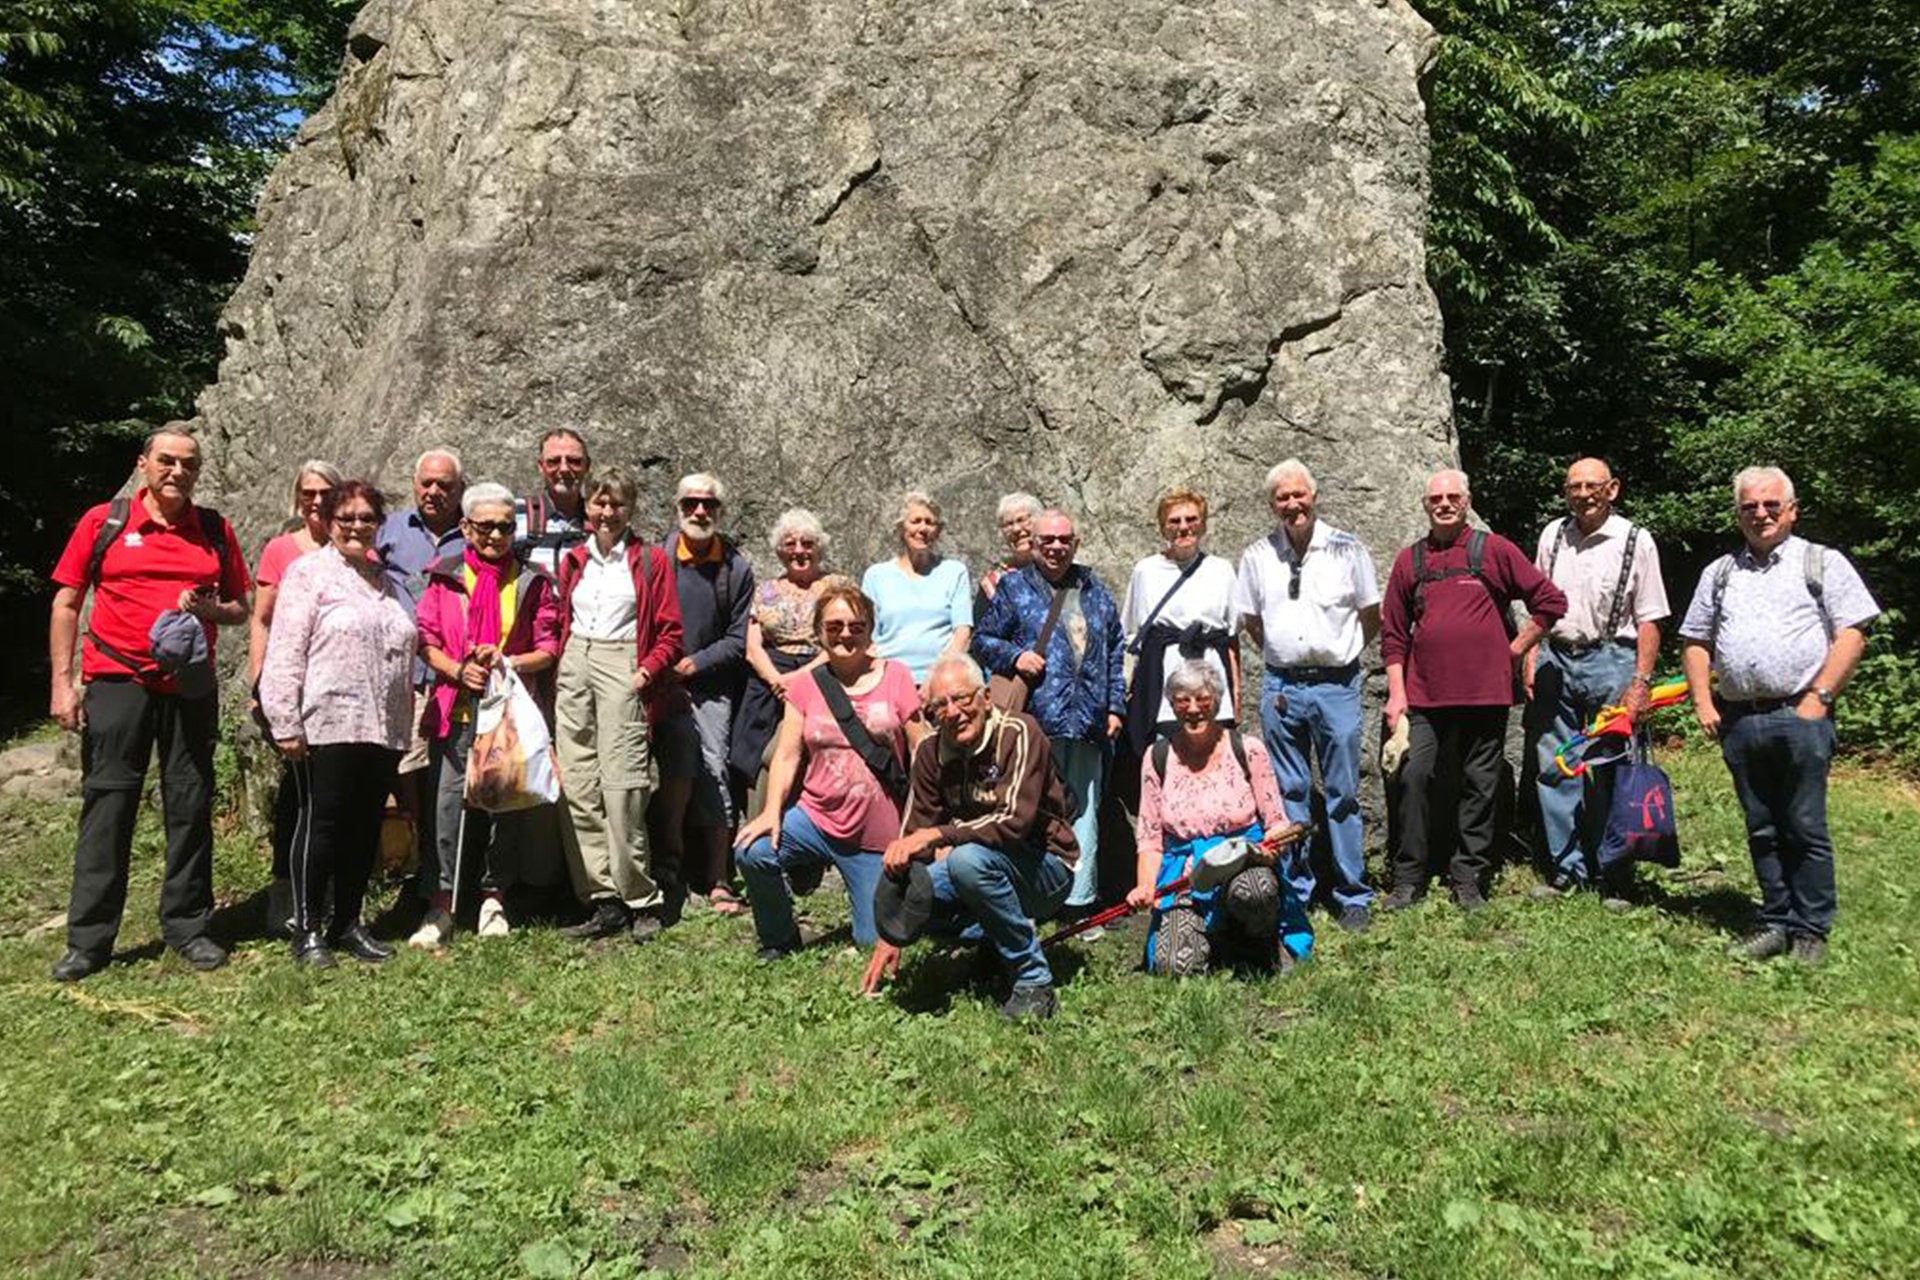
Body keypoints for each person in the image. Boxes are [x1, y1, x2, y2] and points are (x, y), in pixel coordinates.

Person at [47, 427, 251, 982]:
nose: (176, 472)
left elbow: (240, 606)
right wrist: (63, 684)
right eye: (166, 461)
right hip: (117, 680)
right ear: (143, 464)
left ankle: (189, 926)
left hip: (188, 685)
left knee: (189, 802)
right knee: (108, 805)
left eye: (188, 464)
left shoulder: (213, 529)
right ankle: (88, 940)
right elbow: (67, 601)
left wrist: (211, 612)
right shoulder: (104, 522)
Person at [1679, 466, 1878, 966]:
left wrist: (1820, 697)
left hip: (1800, 714)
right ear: (1738, 513)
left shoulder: (1820, 562)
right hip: (1740, 719)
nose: (1761, 514)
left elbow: (1853, 631)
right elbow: (1696, 639)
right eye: (1750, 507)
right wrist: (1704, 701)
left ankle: (1811, 929)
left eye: (1771, 505)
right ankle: (1775, 919)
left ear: (1792, 510)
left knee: (1804, 825)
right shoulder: (1721, 572)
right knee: (1761, 826)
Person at [1379, 469, 1566, 912]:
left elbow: (1551, 602)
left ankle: (1468, 878)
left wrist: (1515, 648)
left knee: (1480, 784)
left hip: (1487, 694)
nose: (1444, 504)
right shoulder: (1411, 561)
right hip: (1423, 696)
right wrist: (1396, 693)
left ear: (1467, 501)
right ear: (1425, 505)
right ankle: (1408, 879)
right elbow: (1393, 634)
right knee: (1414, 776)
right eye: (1435, 498)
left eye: (1453, 497)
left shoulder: (1494, 550)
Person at [862, 654, 1078, 1020]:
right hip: (984, 866)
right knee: (917, 898)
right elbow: (914, 834)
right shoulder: (930, 753)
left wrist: (940, 834)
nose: (954, 711)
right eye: (940, 705)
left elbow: (1014, 821)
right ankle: (997, 941)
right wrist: (892, 929)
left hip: (1046, 866)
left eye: (962, 698)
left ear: (986, 698)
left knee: (966, 861)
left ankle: (1033, 981)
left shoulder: (1020, 733)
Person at [258, 480, 417, 967]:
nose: (356, 526)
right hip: (325, 721)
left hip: (382, 725)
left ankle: (347, 922)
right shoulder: (309, 574)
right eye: (345, 517)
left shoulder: (384, 579)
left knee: (363, 826)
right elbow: (285, 646)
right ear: (327, 522)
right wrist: (283, 718)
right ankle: (307, 930)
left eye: (366, 518)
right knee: (321, 823)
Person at [735, 582, 922, 960]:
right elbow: (788, 755)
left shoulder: (897, 676)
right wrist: (772, 812)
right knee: (752, 851)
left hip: (876, 834)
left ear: (870, 629)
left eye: (856, 625)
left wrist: (918, 823)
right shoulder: (806, 684)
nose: (845, 634)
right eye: (834, 626)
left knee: (872, 941)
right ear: (819, 632)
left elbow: (921, 750)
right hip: (818, 817)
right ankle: (779, 937)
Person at [1231, 459, 1382, 930]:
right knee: (1288, 792)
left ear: (1313, 495)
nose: (1292, 504)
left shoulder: (1346, 547)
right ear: (1272, 503)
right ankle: (1297, 890)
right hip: (1281, 685)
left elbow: (1369, 611)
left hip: (1336, 684)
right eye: (1282, 497)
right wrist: (1280, 655)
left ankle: (1352, 894)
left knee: (1342, 793)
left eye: (1299, 495)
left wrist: (1344, 653)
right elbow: (1251, 618)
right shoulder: (1257, 554)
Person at [410, 482, 561, 946]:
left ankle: (494, 897)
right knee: (446, 809)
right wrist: (458, 670)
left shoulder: (533, 579)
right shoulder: (445, 576)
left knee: (504, 805)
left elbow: (549, 646)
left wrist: (505, 662)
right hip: (454, 709)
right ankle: (441, 906)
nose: (496, 536)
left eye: (504, 526)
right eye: (485, 527)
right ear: (465, 528)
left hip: (506, 713)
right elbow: (426, 638)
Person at [1525, 457, 1669, 904]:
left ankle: (1615, 874)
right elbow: (1537, 602)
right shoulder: (1553, 535)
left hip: (1612, 660)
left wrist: (1640, 682)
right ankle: (1567, 869)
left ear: (1613, 489)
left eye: (1592, 486)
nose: (1582, 495)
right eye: (1574, 487)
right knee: (1554, 766)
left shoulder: (1635, 541)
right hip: (1556, 656)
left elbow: (1650, 618)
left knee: (1614, 769)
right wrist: (1530, 652)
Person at [551, 466, 685, 943]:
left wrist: (645, 671)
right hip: (576, 660)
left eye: (617, 504)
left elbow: (671, 630)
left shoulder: (649, 560)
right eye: (599, 503)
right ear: (587, 507)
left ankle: (641, 898)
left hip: (623, 661)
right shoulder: (573, 561)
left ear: (630, 509)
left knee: (624, 786)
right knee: (580, 784)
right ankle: (603, 897)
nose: (607, 512)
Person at [973, 508, 1125, 921]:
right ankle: (1036, 898)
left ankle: (1078, 902)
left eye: (1064, 540)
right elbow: (983, 640)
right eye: (1048, 541)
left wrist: (1115, 706)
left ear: (1075, 543)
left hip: (1088, 720)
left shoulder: (1095, 589)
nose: (1056, 547)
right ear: (1034, 545)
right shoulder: (1014, 588)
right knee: (1034, 809)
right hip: (1035, 721)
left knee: (1086, 810)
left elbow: (1114, 647)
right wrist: (1016, 655)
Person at [1128, 661, 1312, 976]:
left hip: (1243, 865)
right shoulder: (1156, 757)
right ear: (1172, 705)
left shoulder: (1248, 749)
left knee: (1256, 890)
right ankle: (1218, 942)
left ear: (1217, 700)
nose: (1194, 708)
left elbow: (1277, 821)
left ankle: (1261, 943)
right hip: (1185, 875)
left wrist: (1272, 849)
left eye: (1203, 698)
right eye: (1183, 700)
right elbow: (1149, 836)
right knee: (1174, 966)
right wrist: (1145, 886)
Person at [247, 458, 344, 937]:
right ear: (297, 496)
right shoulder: (282, 551)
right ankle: (287, 896)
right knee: (299, 797)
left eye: (326, 491)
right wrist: (261, 683)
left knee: (336, 796)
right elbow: (261, 618)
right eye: (308, 492)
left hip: (339, 690)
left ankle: (331, 899)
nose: (317, 500)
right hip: (294, 688)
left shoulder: (355, 547)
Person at [655, 472, 754, 916]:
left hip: (709, 686)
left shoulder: (735, 566)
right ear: (677, 508)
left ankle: (718, 875)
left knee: (713, 770)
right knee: (671, 770)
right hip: (659, 683)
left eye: (709, 505)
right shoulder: (656, 559)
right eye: (691, 504)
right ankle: (668, 866)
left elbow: (740, 637)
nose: (700, 512)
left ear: (720, 511)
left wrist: (695, 663)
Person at [376, 448, 467, 910]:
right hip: (406, 678)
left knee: (450, 780)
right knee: (409, 774)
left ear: (459, 490)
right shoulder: (389, 530)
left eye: (444, 485)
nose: (434, 492)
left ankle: (450, 876)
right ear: (415, 485)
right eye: (427, 483)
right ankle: (416, 872)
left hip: (456, 678)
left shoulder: (471, 534)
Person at [1120, 488, 1239, 800]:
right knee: (1166, 768)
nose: (1183, 527)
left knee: (1215, 770)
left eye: (1191, 519)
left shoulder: (1221, 570)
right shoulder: (1145, 570)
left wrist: (1236, 694)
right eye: (1175, 520)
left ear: (1202, 524)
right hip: (1163, 684)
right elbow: (1130, 631)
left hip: (1211, 680)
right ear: (1163, 527)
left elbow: (1231, 638)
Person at [730, 509, 831, 807]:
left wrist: (800, 678)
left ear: (819, 547)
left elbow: (843, 640)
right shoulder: (765, 591)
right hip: (770, 677)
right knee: (752, 752)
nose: (799, 550)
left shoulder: (837, 586)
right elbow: (752, 646)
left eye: (807, 543)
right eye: (790, 544)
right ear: (779, 550)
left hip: (820, 671)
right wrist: (777, 680)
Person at [862, 492, 973, 687]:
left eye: (930, 522)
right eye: (915, 521)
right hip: (888, 679)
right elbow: (866, 636)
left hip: (940, 681)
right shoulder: (876, 576)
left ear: (937, 531)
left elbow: (962, 633)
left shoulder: (954, 572)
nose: (923, 528)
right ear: (900, 527)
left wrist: (937, 679)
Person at [513, 428, 591, 575]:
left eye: (574, 461)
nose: (564, 469)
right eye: (554, 461)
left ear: (587, 466)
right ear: (541, 467)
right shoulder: (516, 514)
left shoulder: (602, 519)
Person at [975, 491, 1043, 614]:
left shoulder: (1065, 571)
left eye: (1022, 520)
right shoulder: (994, 583)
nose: (1016, 529)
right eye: (1008, 524)